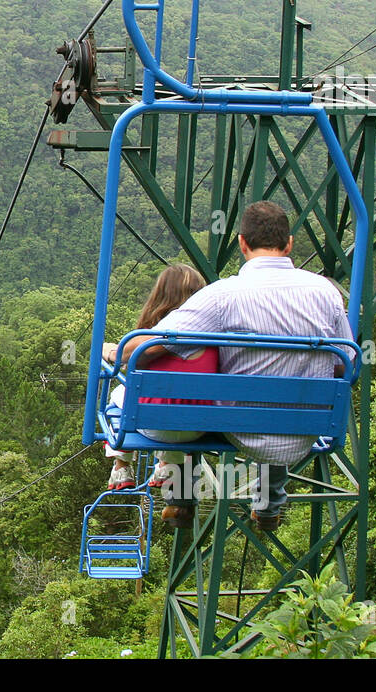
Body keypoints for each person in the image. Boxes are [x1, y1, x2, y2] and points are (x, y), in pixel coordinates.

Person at [103, 201, 353, 531]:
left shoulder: (224, 295)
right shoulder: (327, 293)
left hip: (239, 428)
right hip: (305, 429)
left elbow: (155, 344)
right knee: (275, 414)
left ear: (242, 243)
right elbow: (345, 364)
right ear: (289, 244)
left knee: (191, 406)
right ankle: (268, 506)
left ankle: (181, 499)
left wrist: (115, 351)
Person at [103, 264, 219, 491]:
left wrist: (108, 351)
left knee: (121, 394)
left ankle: (121, 464)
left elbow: (127, 363)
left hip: (154, 425)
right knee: (180, 404)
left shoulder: (153, 339)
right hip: (198, 428)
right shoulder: (215, 337)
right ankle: (167, 464)